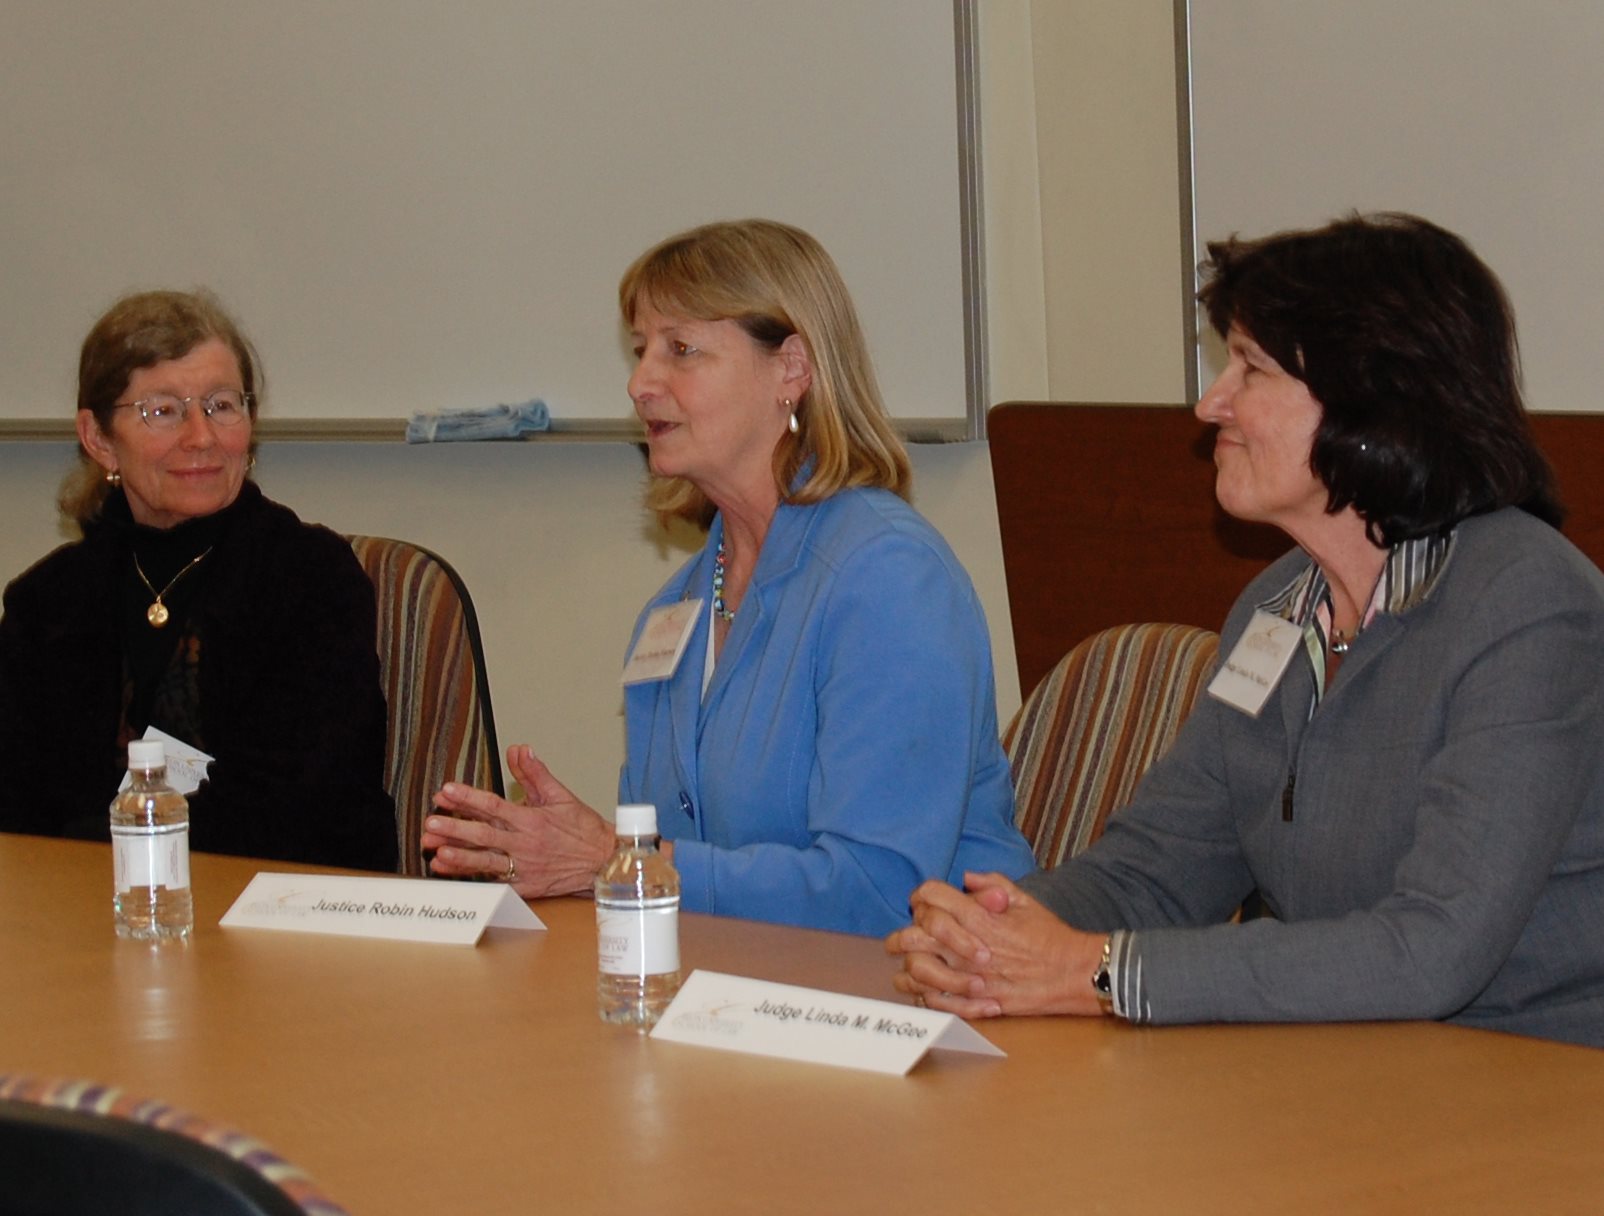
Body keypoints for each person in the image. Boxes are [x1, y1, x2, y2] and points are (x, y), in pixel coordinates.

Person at [887, 213, 1604, 1048]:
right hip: (1351, 1070)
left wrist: (1101, 973)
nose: (1209, 404)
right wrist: (995, 934)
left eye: (1250, 369)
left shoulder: (1530, 610)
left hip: (1540, 1086)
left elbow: (1431, 950)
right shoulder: (1274, 609)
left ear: (1378, 399)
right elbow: (1155, 872)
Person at [424, 218, 1033, 935]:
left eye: (681, 349)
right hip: (733, 998)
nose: (641, 382)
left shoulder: (890, 580)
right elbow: (677, 862)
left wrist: (617, 863)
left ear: (792, 370)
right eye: (641, 350)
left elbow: (880, 892)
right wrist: (584, 856)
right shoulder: (676, 604)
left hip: (918, 1005)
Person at [0, 290, 397, 871]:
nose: (201, 437)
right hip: (81, 909)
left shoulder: (311, 577)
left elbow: (295, 803)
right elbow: (20, 801)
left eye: (220, 405)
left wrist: (113, 847)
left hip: (279, 910)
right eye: (162, 411)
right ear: (99, 438)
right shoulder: (48, 601)